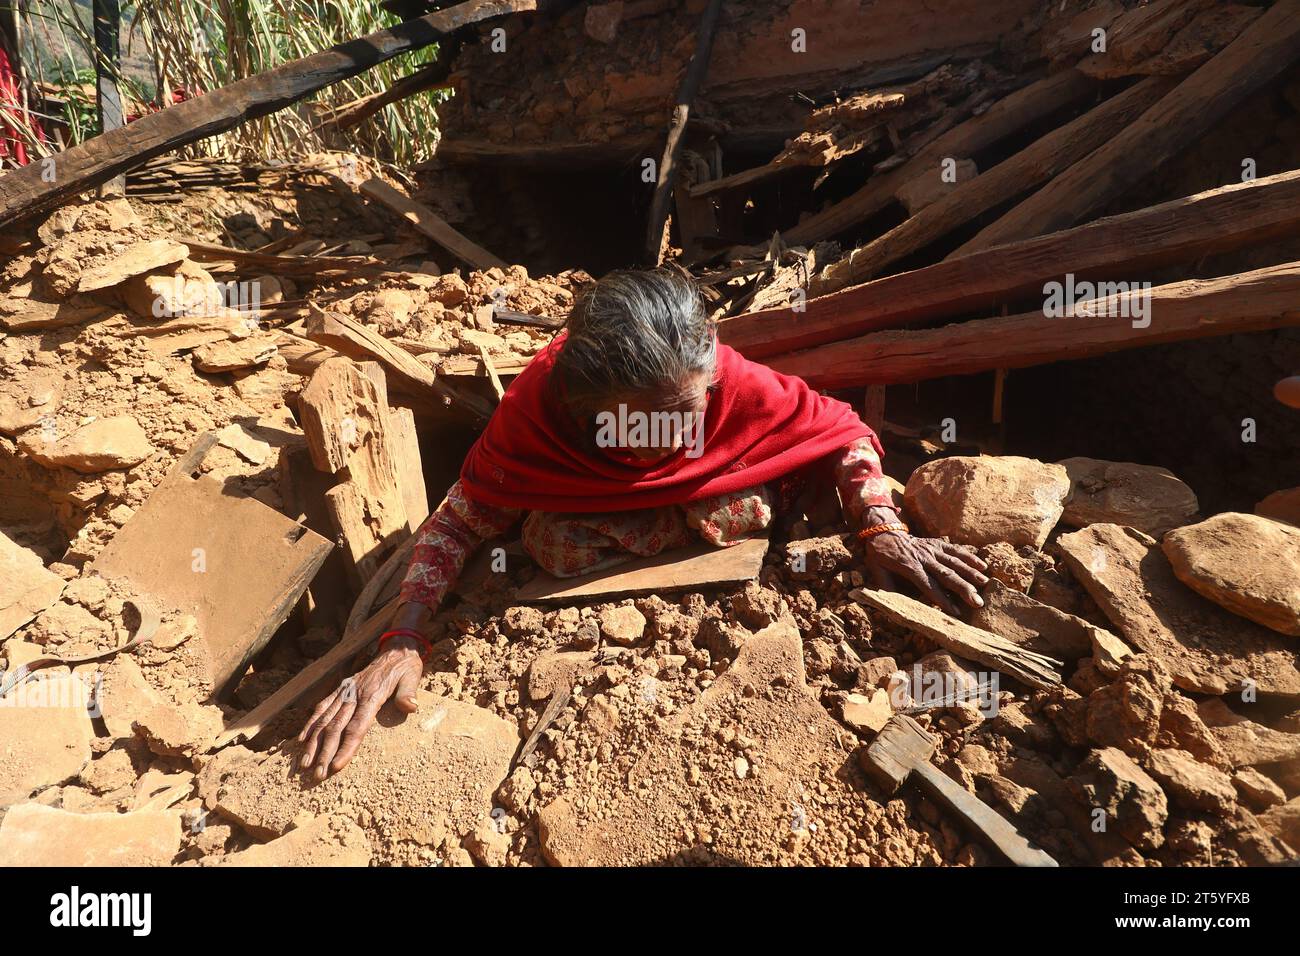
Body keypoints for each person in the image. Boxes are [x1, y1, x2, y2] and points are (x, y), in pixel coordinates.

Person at [300, 268, 989, 778]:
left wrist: (879, 523)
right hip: (578, 511)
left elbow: (841, 431)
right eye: (645, 423)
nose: (679, 433)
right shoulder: (536, 413)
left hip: (715, 494)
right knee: (551, 543)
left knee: (739, 508)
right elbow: (458, 522)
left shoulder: (721, 375)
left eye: (692, 408)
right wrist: (403, 637)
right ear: (583, 410)